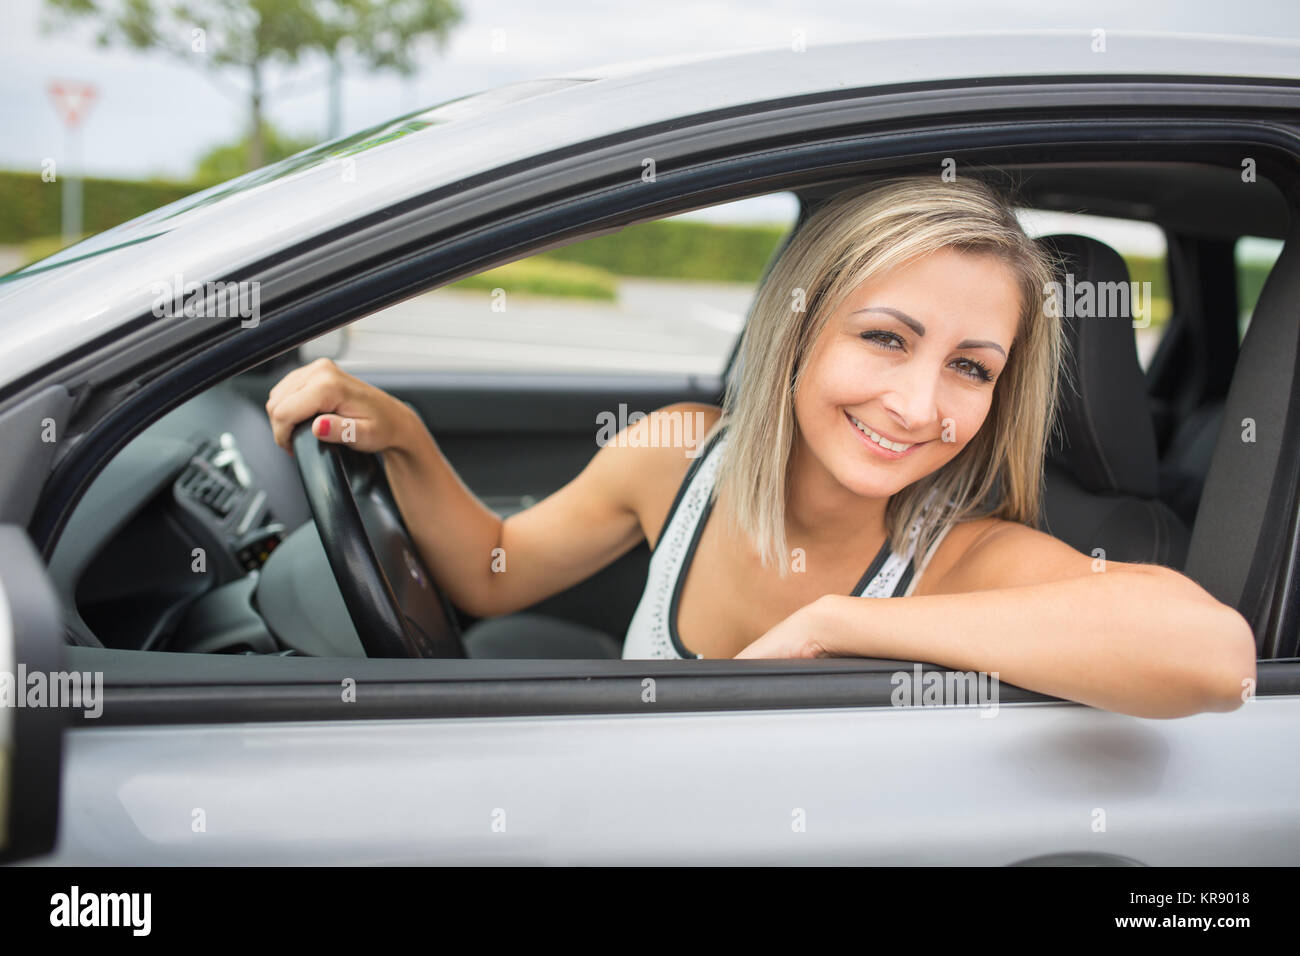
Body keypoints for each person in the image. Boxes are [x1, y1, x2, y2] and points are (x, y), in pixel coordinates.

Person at [265, 174, 1256, 719]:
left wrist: (840, 621)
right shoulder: (675, 457)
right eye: (883, 337)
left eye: (970, 366)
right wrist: (403, 437)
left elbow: (1212, 656)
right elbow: (490, 572)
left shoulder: (965, 558)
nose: (916, 404)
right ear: (797, 331)